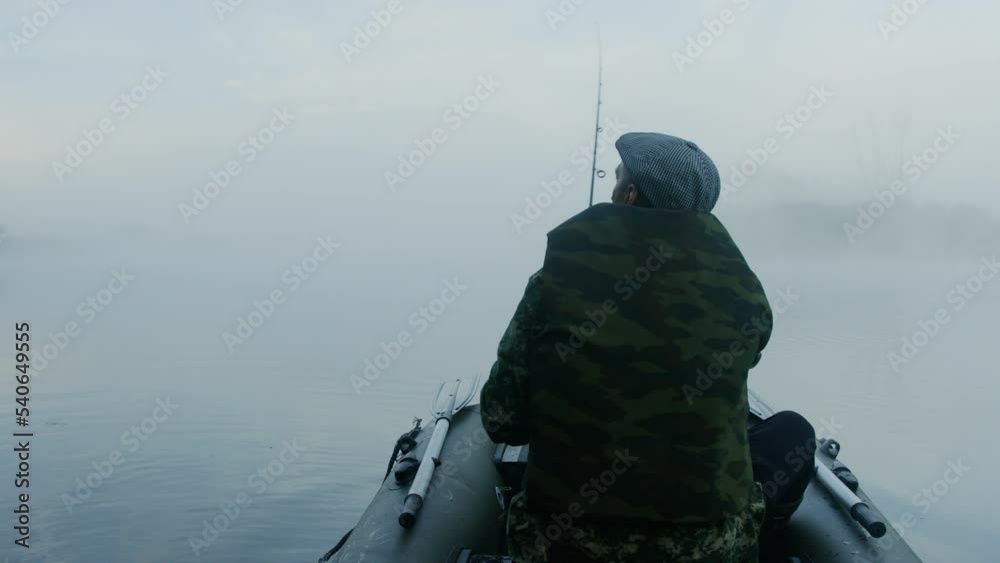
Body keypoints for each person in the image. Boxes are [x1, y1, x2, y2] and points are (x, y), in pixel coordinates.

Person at [480, 132, 815, 562]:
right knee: (792, 434)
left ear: (630, 194)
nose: (612, 187)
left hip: (565, 543)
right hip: (703, 550)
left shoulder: (552, 285)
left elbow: (502, 422)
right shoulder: (745, 297)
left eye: (616, 179)